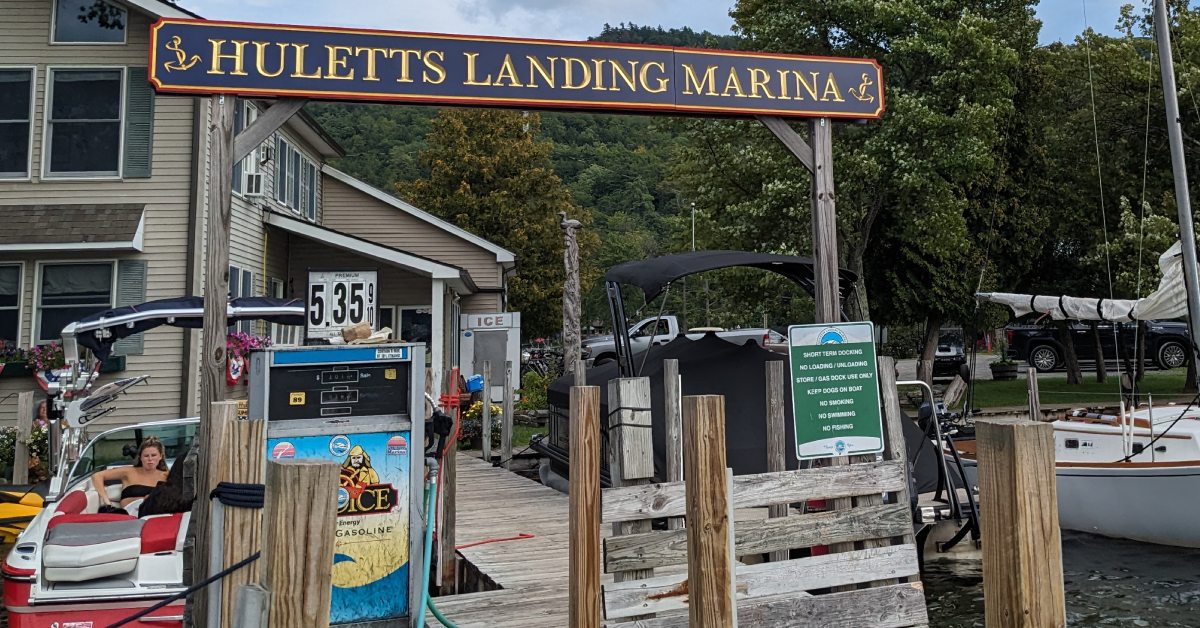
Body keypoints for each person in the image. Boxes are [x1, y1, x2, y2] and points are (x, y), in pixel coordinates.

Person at [91, 437, 169, 510]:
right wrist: (107, 502)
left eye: (153, 455)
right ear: (140, 457)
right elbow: (97, 476)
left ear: (160, 456)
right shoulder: (128, 471)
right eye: (146, 456)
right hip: (129, 516)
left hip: (157, 514)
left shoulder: (166, 475)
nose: (150, 459)